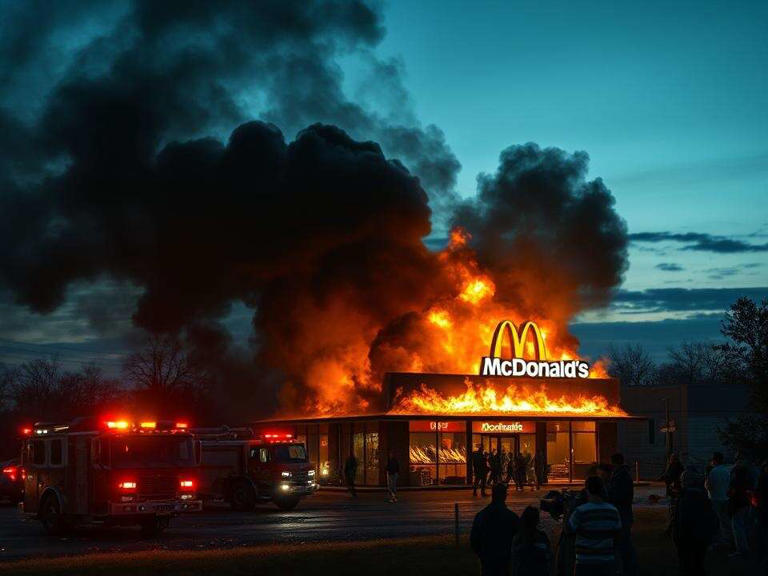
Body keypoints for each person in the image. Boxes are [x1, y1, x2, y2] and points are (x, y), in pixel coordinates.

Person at [566, 476, 622, 576]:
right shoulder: (613, 511)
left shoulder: (580, 512)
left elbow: (568, 530)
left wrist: (570, 508)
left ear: (587, 490)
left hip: (584, 560)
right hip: (606, 559)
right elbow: (617, 536)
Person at [672, 466, 719, 576]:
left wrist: (678, 538)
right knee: (698, 564)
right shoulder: (702, 496)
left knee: (688, 565)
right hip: (701, 537)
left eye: (682, 481)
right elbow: (711, 517)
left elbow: (683, 521)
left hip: (689, 538)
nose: (681, 483)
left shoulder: (687, 498)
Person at [470, 482, 521, 576]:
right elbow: (519, 539)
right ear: (504, 496)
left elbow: (474, 540)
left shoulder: (481, 516)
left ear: (493, 495)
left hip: (487, 560)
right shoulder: (511, 517)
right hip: (505, 560)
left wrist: (481, 554)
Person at [608, 453, 636, 576]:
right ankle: (626, 567)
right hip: (623, 512)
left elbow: (619, 495)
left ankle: (627, 568)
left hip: (621, 512)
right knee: (624, 542)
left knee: (623, 542)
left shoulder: (620, 476)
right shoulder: (622, 474)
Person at [511, 506, 552, 576]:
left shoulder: (518, 538)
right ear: (537, 520)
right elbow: (549, 560)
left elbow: (514, 563)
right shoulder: (543, 537)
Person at [729, 455, 756, 556]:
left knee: (738, 526)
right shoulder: (749, 478)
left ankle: (742, 549)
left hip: (738, 504)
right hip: (746, 503)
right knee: (745, 525)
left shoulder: (736, 480)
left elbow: (732, 492)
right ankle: (748, 544)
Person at [705, 452, 732, 546]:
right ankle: (728, 537)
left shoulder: (713, 472)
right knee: (725, 519)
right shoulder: (727, 471)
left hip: (715, 498)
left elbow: (709, 486)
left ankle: (721, 538)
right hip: (725, 498)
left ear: (715, 461)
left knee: (717, 519)